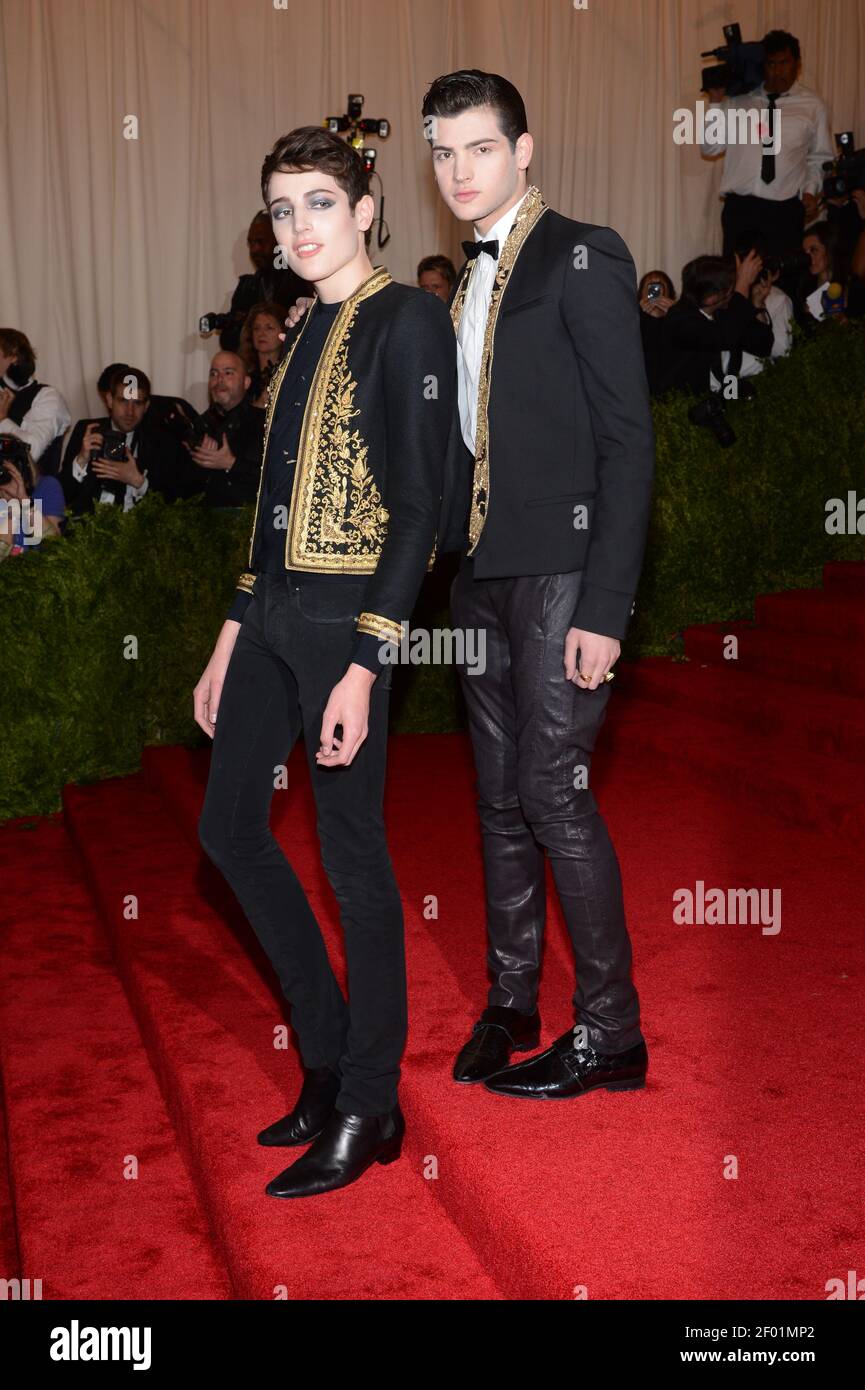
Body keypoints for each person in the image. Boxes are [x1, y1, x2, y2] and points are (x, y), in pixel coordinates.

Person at [195, 126, 457, 1198]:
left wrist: (364, 663)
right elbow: (271, 508)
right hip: (269, 617)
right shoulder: (301, 330)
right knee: (226, 829)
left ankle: (369, 1101)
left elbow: (422, 511)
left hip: (351, 626)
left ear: (365, 204)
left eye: (316, 203)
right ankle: (324, 1053)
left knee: (354, 863)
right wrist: (227, 634)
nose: (298, 227)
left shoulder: (408, 318)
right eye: (281, 208)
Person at [421, 69, 655, 1101]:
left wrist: (607, 608)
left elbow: (626, 439)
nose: (461, 169)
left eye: (479, 147)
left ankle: (611, 1032)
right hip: (479, 573)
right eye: (443, 152)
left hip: (563, 569)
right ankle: (511, 1001)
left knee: (553, 796)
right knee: (496, 800)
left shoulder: (581, 253)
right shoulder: (464, 280)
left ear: (524, 149)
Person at [701, 30, 833, 265]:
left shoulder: (813, 105)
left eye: (784, 63)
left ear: (797, 64)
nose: (777, 71)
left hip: (785, 211)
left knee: (785, 283)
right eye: (771, 64)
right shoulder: (739, 99)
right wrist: (715, 102)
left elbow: (819, 157)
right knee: (737, 287)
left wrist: (811, 190)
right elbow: (710, 148)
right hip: (741, 209)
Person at [60, 367, 192, 514]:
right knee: (36, 529)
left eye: (137, 403)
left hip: (136, 532)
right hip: (87, 529)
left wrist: (140, 483)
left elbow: (177, 502)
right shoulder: (87, 431)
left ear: (146, 406)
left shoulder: (162, 442)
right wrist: (81, 461)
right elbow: (62, 495)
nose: (130, 411)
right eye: (123, 401)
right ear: (110, 400)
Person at [652, 252, 773, 397]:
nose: (733, 292)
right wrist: (742, 286)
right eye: (730, 288)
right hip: (685, 410)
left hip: (727, 401)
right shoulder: (680, 320)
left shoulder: (723, 313)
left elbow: (763, 346)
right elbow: (724, 337)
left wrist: (757, 303)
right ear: (711, 298)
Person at [217, 210, 309, 353]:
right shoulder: (246, 287)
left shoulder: (303, 280)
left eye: (260, 242)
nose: (254, 249)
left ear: (278, 240)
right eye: (251, 243)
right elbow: (228, 343)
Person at [180, 352, 265, 506]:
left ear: (246, 382)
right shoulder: (199, 425)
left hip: (247, 522)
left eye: (228, 373)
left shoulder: (265, 422)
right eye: (214, 373)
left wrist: (231, 463)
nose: (219, 380)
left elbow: (277, 478)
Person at [0, 329, 71, 478]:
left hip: (32, 498)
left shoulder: (47, 396)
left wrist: (2, 420)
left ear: (14, 357)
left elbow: (32, 451)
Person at [0, 443, 64, 560]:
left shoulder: (46, 486)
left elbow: (52, 548)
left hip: (38, 574)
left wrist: (24, 500)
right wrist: (12, 511)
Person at [237, 301, 284, 408]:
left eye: (269, 328)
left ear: (283, 332)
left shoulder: (289, 372)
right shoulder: (244, 372)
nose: (261, 334)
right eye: (256, 328)